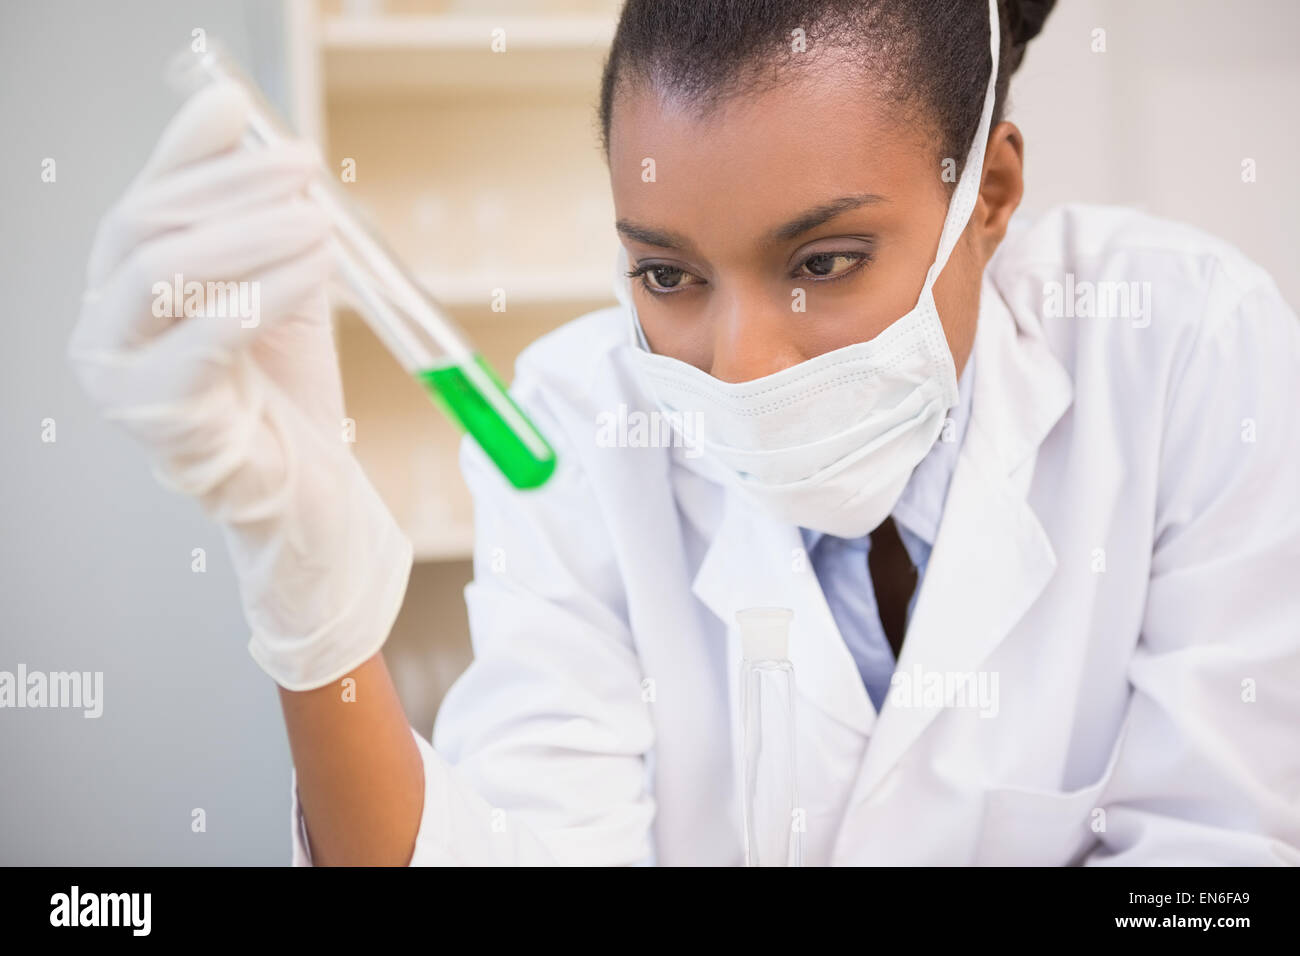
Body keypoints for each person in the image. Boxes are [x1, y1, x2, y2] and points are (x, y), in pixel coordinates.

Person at [68, 0, 1300, 866]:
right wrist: (314, 614)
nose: (739, 366)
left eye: (823, 260)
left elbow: (1208, 867)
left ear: (988, 194)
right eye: (666, 276)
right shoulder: (572, 426)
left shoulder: (1185, 344)